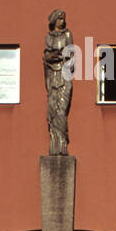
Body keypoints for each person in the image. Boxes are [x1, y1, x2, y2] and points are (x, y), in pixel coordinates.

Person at [43, 9, 74, 155]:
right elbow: (47, 55)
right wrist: (52, 57)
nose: (62, 21)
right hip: (52, 73)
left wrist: (65, 58)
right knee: (52, 109)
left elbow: (71, 54)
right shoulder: (49, 37)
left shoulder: (67, 35)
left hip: (64, 74)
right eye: (60, 19)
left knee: (61, 109)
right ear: (55, 21)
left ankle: (62, 144)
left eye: (63, 19)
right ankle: (54, 145)